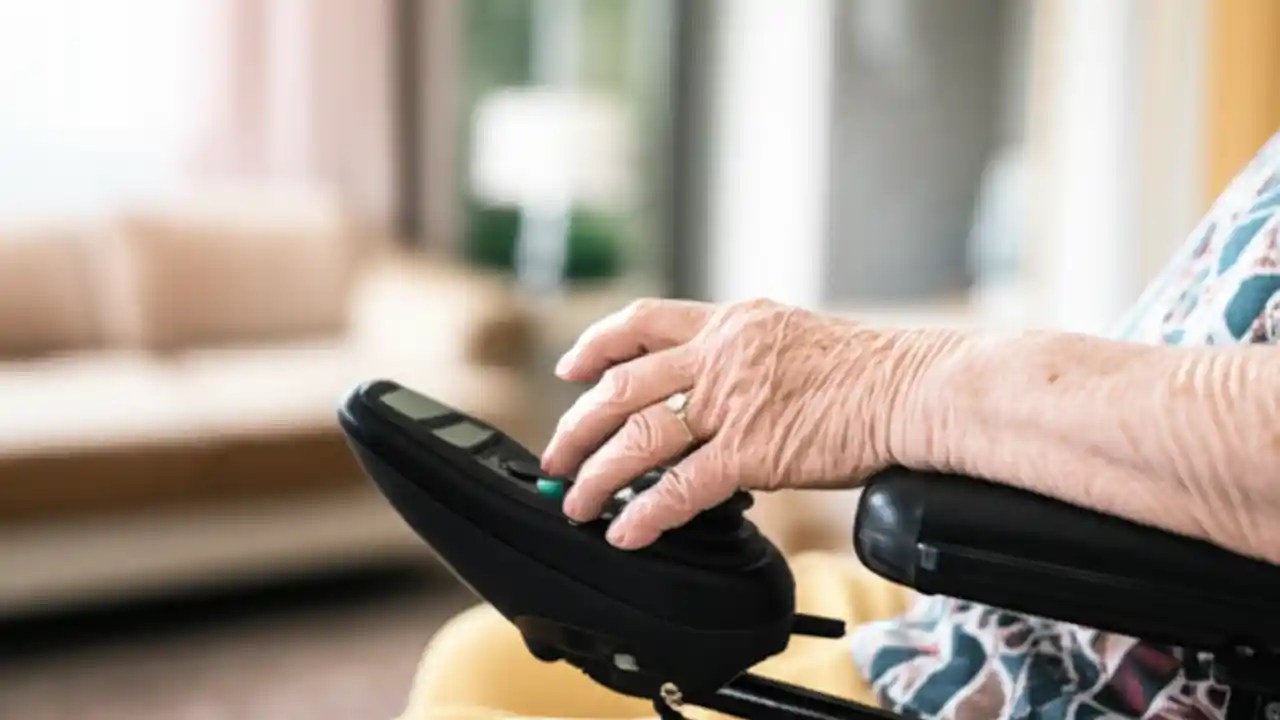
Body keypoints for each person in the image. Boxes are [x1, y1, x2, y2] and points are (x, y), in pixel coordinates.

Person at [399, 128, 1280, 720]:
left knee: (486, 697)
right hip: (992, 613)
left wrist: (888, 385)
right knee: (478, 657)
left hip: (1085, 676)